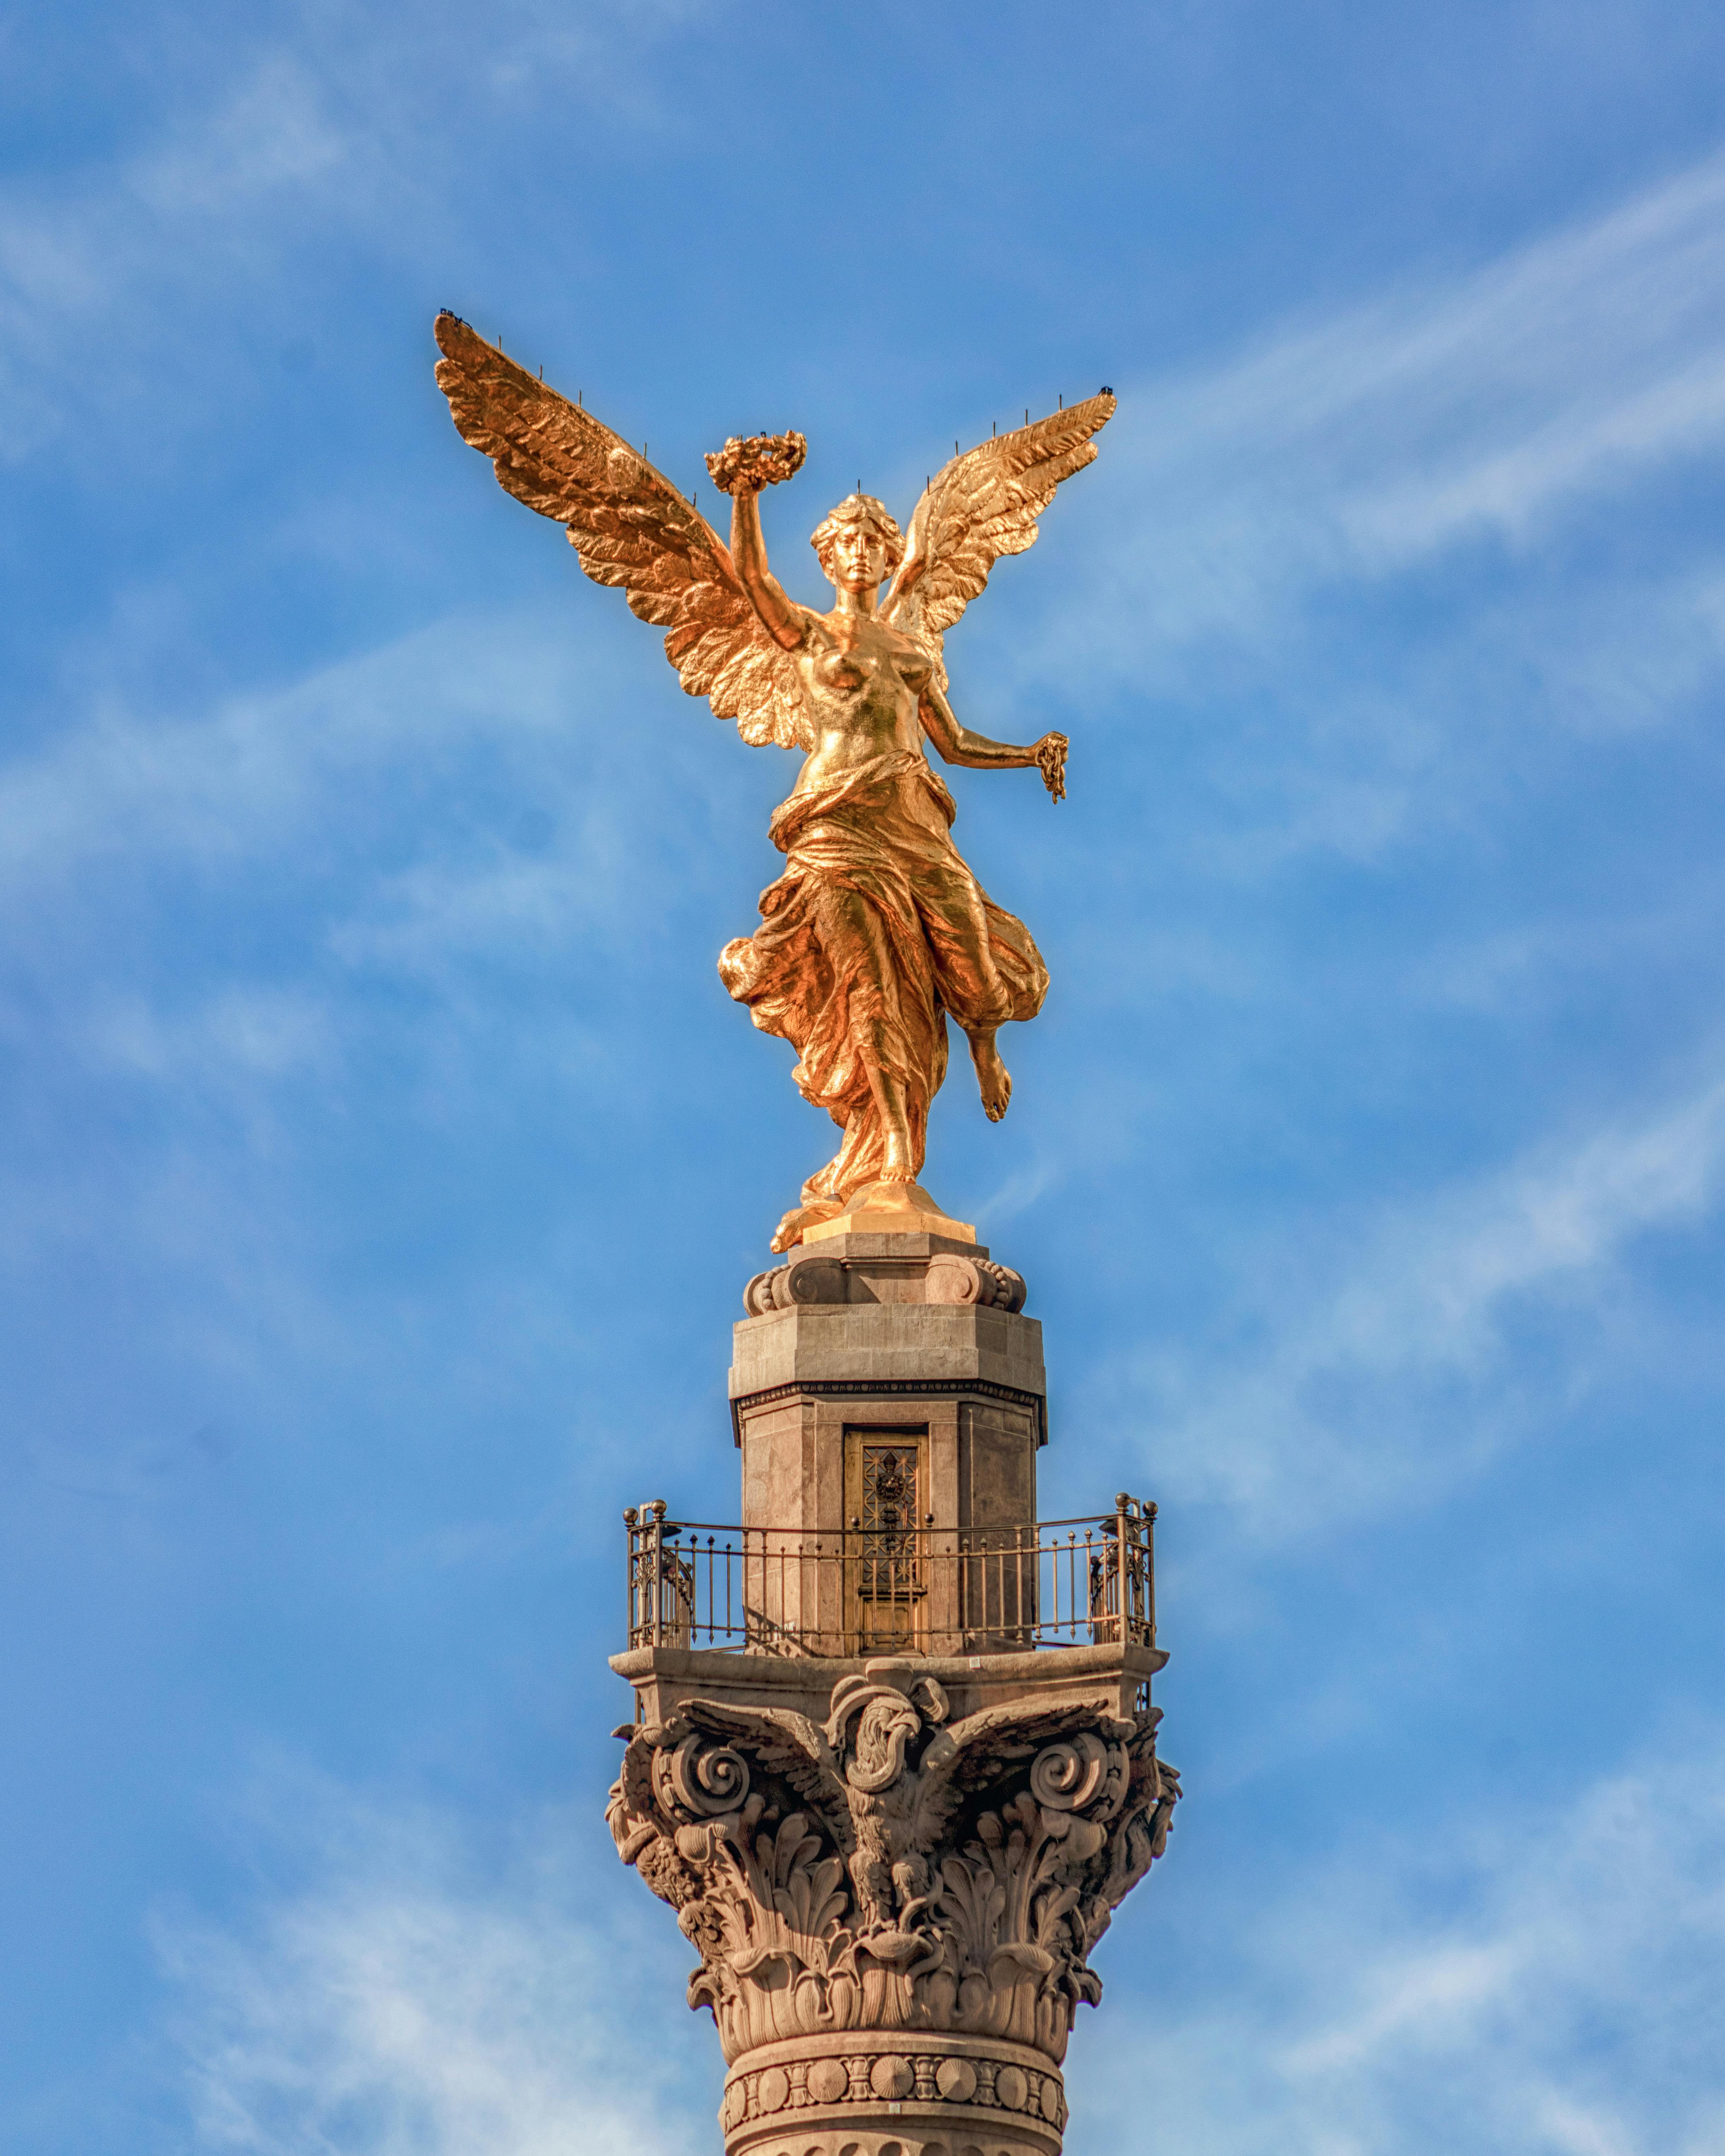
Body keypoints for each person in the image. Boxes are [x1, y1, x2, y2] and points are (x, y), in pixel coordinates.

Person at [717, 478, 1068, 1252]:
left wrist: (1027, 753)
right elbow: (750, 580)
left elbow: (953, 742)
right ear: (826, 554)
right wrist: (744, 495)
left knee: (971, 955)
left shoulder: (910, 650)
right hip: (836, 826)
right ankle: (893, 1158)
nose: (860, 555)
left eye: (875, 544)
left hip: (912, 819)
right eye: (846, 543)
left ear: (887, 555)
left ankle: (984, 1045)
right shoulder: (807, 635)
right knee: (871, 993)